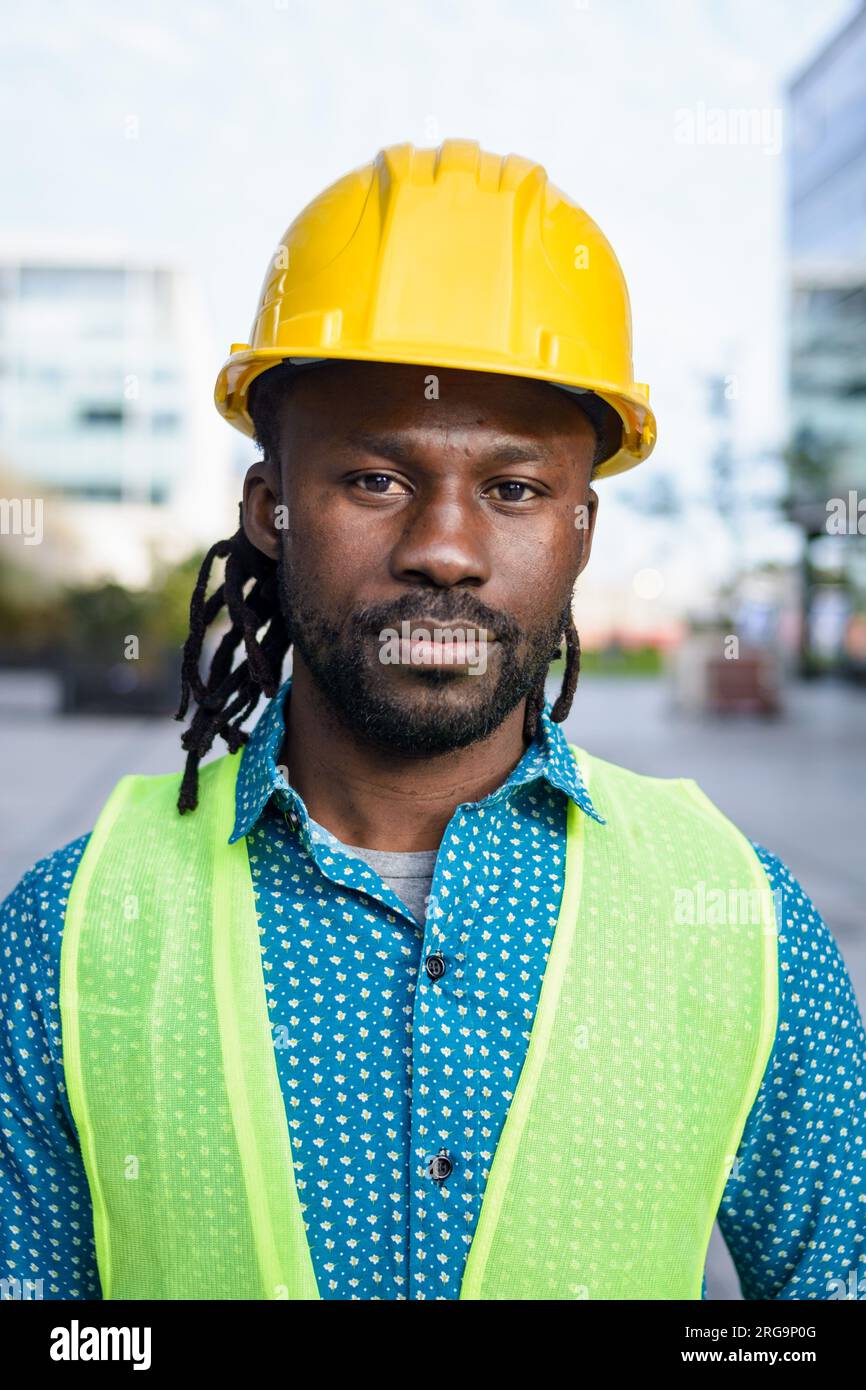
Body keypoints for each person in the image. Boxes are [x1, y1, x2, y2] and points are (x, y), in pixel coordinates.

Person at [2, 139, 864, 1302]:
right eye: (374, 480)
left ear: (581, 533)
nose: (444, 552)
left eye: (512, 489)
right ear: (268, 509)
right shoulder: (66, 933)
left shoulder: (746, 926)